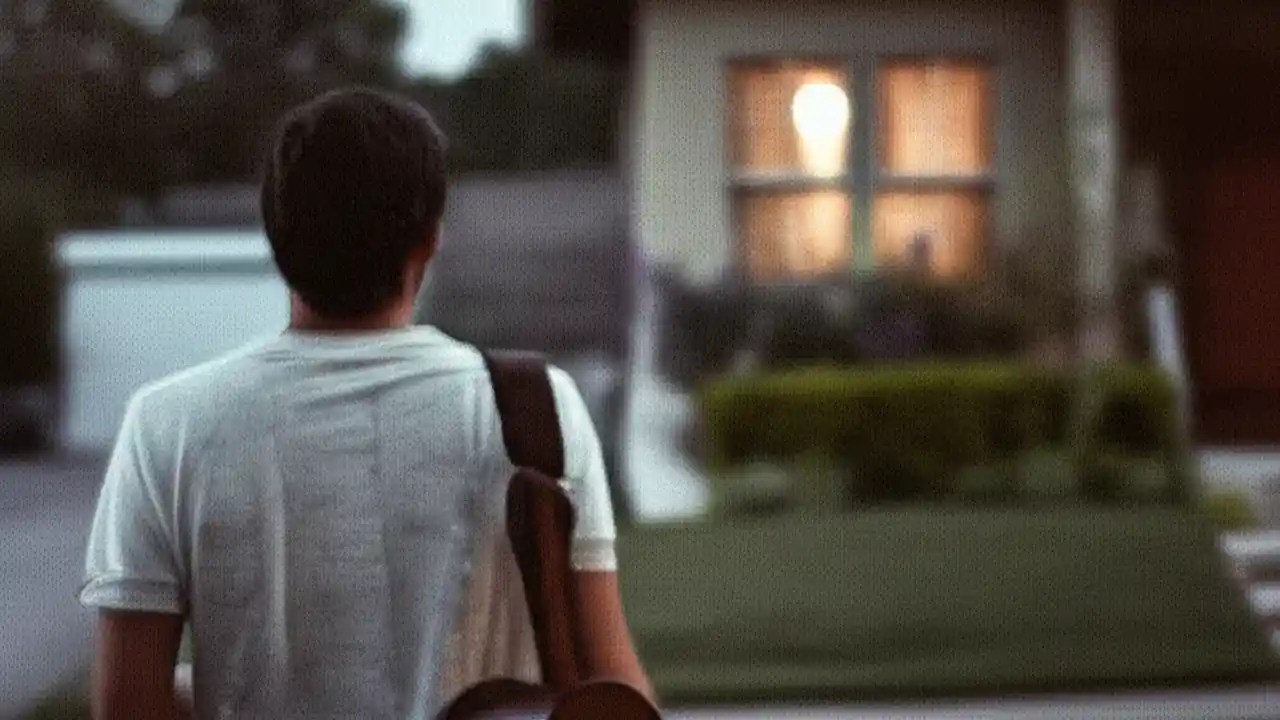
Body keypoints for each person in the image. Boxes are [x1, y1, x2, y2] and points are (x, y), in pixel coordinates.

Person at [79, 87, 652, 720]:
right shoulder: (536, 408)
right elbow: (612, 689)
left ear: (276, 238)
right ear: (430, 240)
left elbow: (127, 705)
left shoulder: (167, 425)